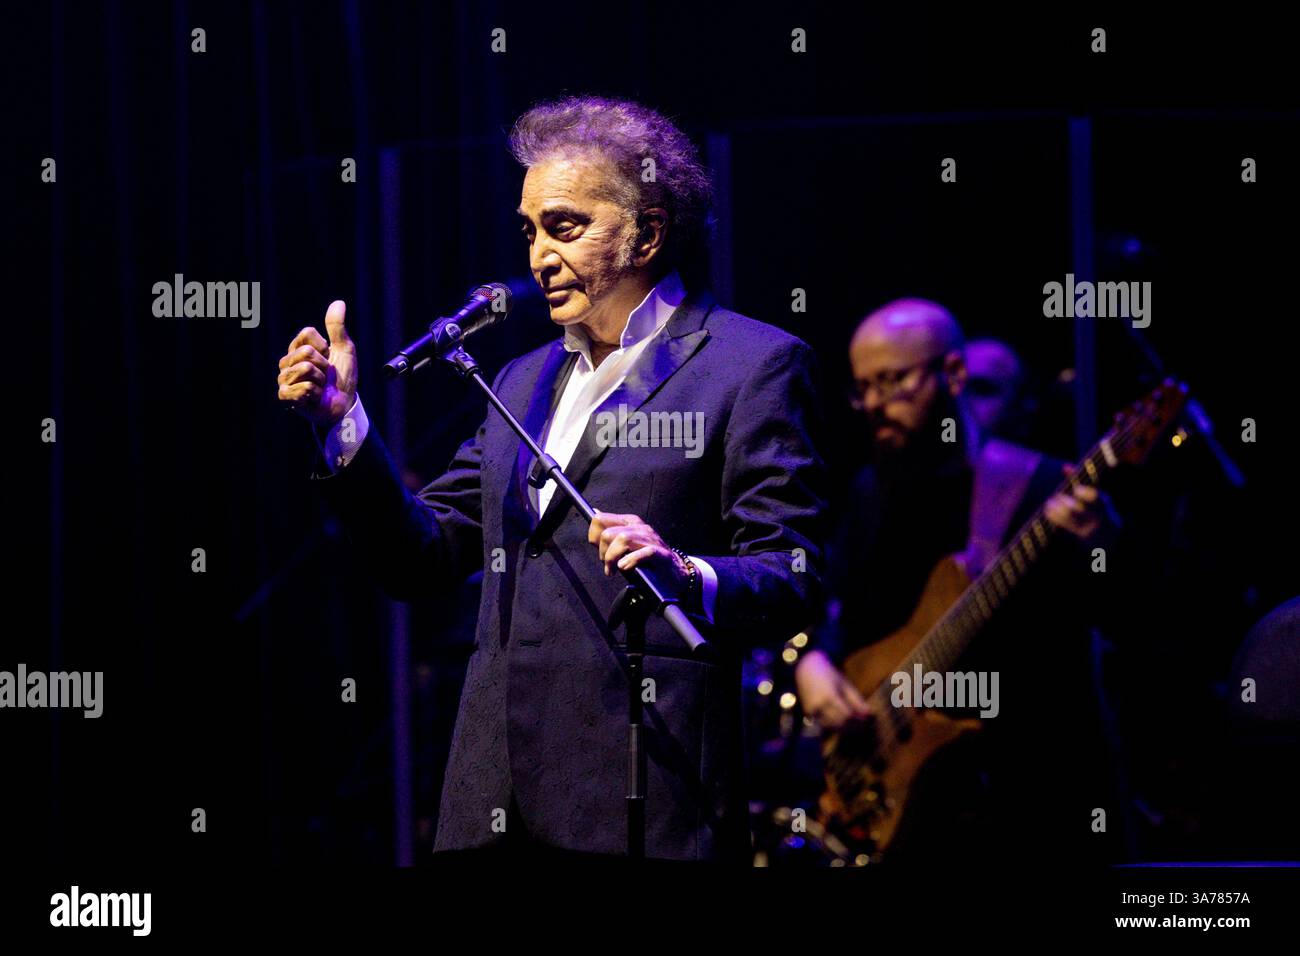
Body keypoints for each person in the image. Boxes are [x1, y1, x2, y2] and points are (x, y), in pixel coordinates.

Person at [275, 95, 827, 862]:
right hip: (491, 804)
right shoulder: (522, 380)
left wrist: (682, 571)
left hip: (647, 803)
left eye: (565, 225)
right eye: (530, 230)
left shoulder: (751, 366)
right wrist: (342, 426)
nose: (538, 254)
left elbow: (792, 573)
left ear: (646, 232)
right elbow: (422, 556)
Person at [795, 298, 1120, 862]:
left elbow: (1125, 619)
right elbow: (832, 605)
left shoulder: (1035, 486)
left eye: (892, 382)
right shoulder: (871, 493)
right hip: (912, 815)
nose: (874, 404)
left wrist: (1102, 546)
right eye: (862, 388)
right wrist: (814, 662)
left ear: (953, 373)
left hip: (1028, 795)